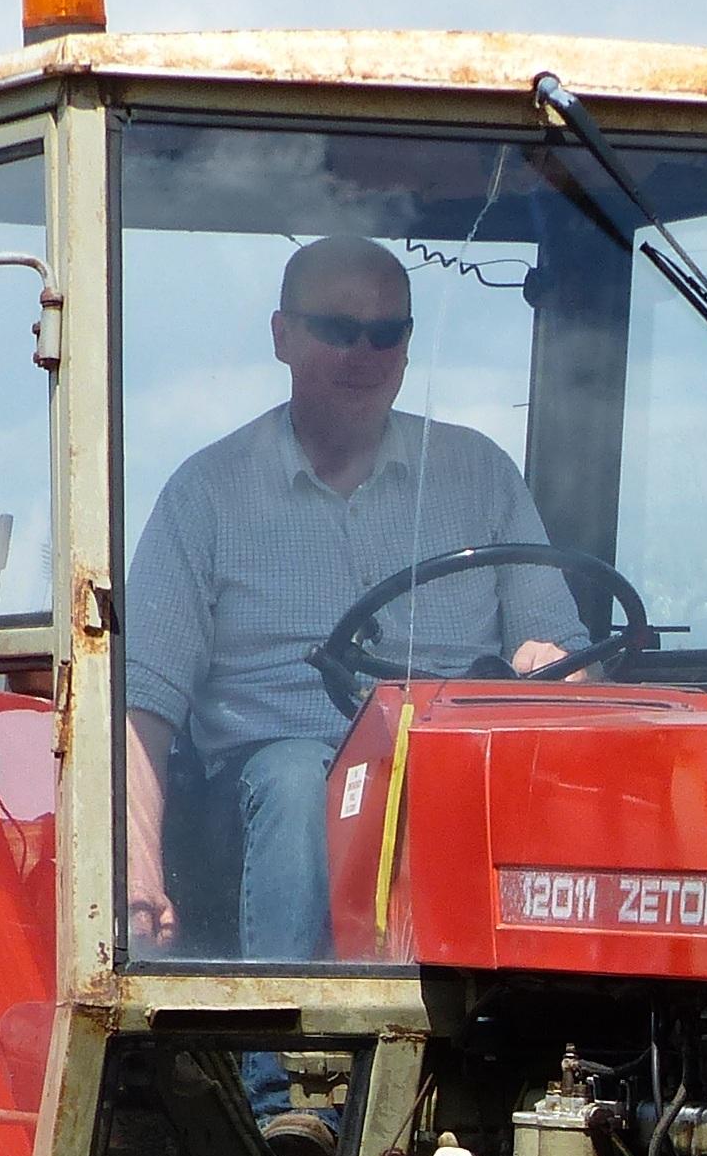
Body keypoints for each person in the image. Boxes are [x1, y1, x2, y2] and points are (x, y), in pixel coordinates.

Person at [119, 236, 582, 964]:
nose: (362, 355)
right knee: (300, 777)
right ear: (283, 337)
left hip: (445, 765)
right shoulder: (207, 495)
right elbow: (140, 703)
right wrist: (137, 876)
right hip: (267, 790)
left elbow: (560, 651)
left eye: (385, 333)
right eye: (337, 331)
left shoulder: (479, 475)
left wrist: (552, 664)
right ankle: (286, 1064)